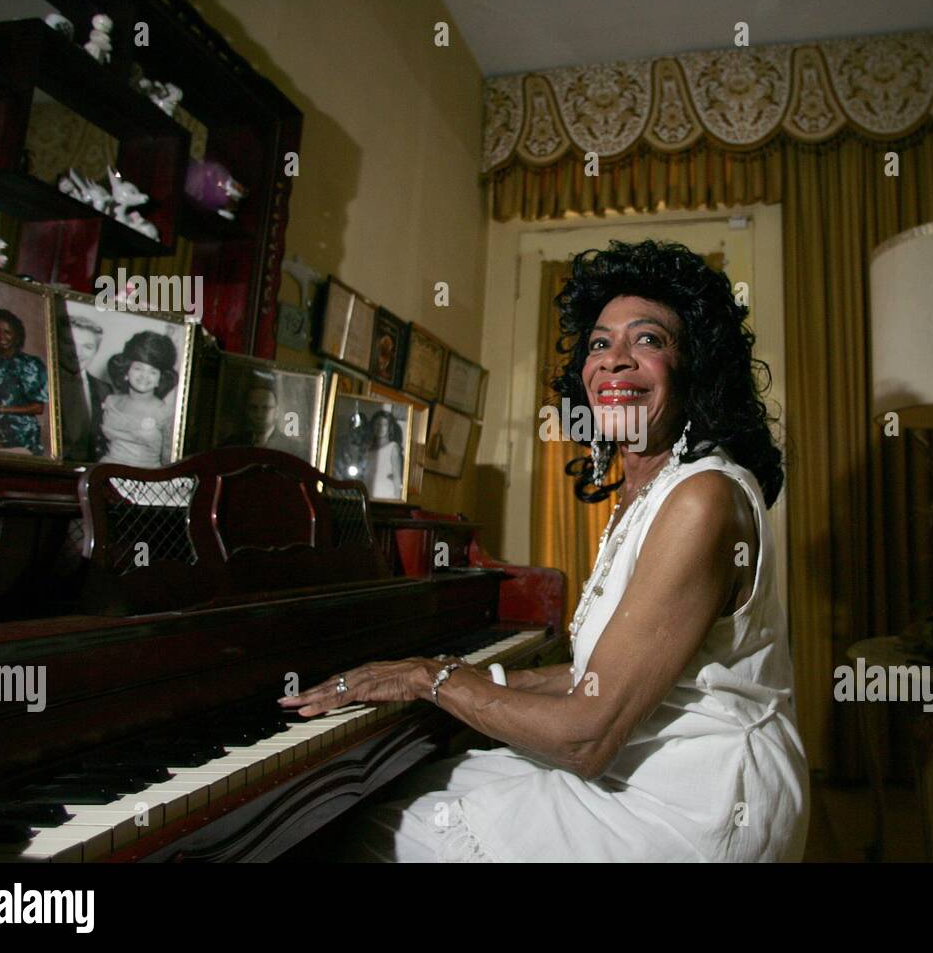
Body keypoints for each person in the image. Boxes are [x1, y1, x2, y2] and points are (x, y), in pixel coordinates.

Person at [282, 239, 809, 862]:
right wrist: (478, 678)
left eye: (648, 340)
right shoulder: (654, 490)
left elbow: (587, 738)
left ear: (696, 367)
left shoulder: (703, 500)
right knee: (410, 790)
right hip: (642, 762)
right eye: (598, 343)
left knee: (380, 835)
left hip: (699, 800)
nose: (614, 361)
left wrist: (432, 678)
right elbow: (603, 675)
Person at [99, 330, 178, 467]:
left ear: (160, 379)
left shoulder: (166, 413)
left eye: (152, 372)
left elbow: (168, 462)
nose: (144, 376)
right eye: (138, 368)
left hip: (145, 481)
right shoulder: (111, 402)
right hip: (105, 473)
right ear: (126, 372)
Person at [0, 308, 47, 454]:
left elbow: (38, 408)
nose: (1, 336)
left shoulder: (32, 364)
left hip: (21, 434)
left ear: (17, 334)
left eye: (7, 332)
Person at [57, 314, 110, 460]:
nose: (77, 352)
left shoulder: (105, 390)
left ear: (96, 352)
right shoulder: (41, 381)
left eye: (87, 347)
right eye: (71, 343)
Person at [218, 374, 304, 458]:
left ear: (277, 411)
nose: (259, 414)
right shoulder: (233, 444)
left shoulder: (292, 448)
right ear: (247, 409)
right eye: (254, 408)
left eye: (266, 408)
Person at [368, 409, 404, 499]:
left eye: (384, 425)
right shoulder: (369, 449)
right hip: (369, 492)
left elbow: (397, 477)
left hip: (386, 494)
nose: (380, 428)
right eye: (377, 424)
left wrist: (397, 499)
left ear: (389, 428)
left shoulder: (393, 447)